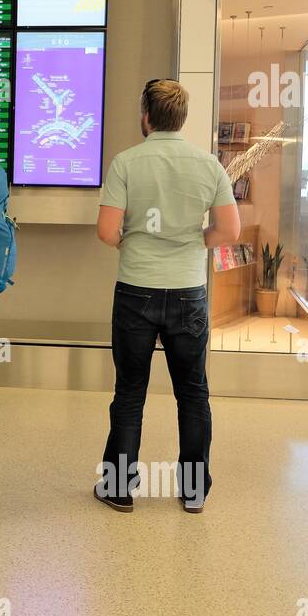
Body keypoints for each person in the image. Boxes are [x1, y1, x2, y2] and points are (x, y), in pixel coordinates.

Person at [94, 79, 240, 513]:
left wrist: (133, 243)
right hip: (188, 295)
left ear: (146, 116)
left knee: (130, 392)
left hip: (136, 291)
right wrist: (196, 239)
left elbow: (106, 231)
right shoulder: (208, 165)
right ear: (182, 118)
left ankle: (119, 487)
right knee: (193, 393)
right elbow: (229, 231)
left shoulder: (126, 163)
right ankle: (193, 491)